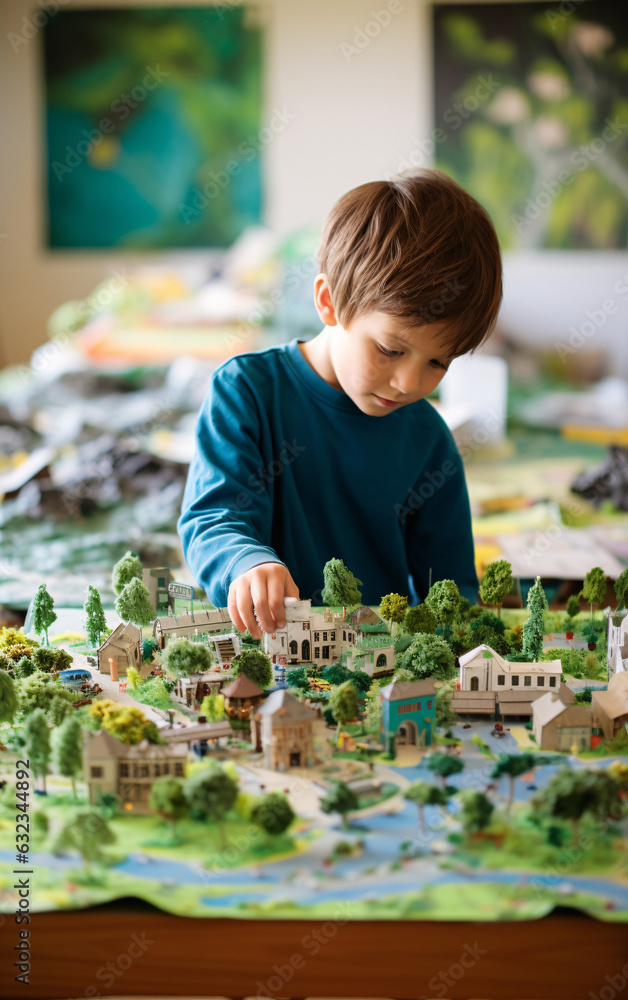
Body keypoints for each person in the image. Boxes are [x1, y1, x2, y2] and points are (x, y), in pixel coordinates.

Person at [178, 168, 502, 639]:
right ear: (329, 302)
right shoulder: (246, 391)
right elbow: (213, 518)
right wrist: (246, 562)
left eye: (438, 362)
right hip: (271, 649)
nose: (409, 383)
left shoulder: (429, 439)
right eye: (390, 349)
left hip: (378, 658)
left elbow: (450, 590)